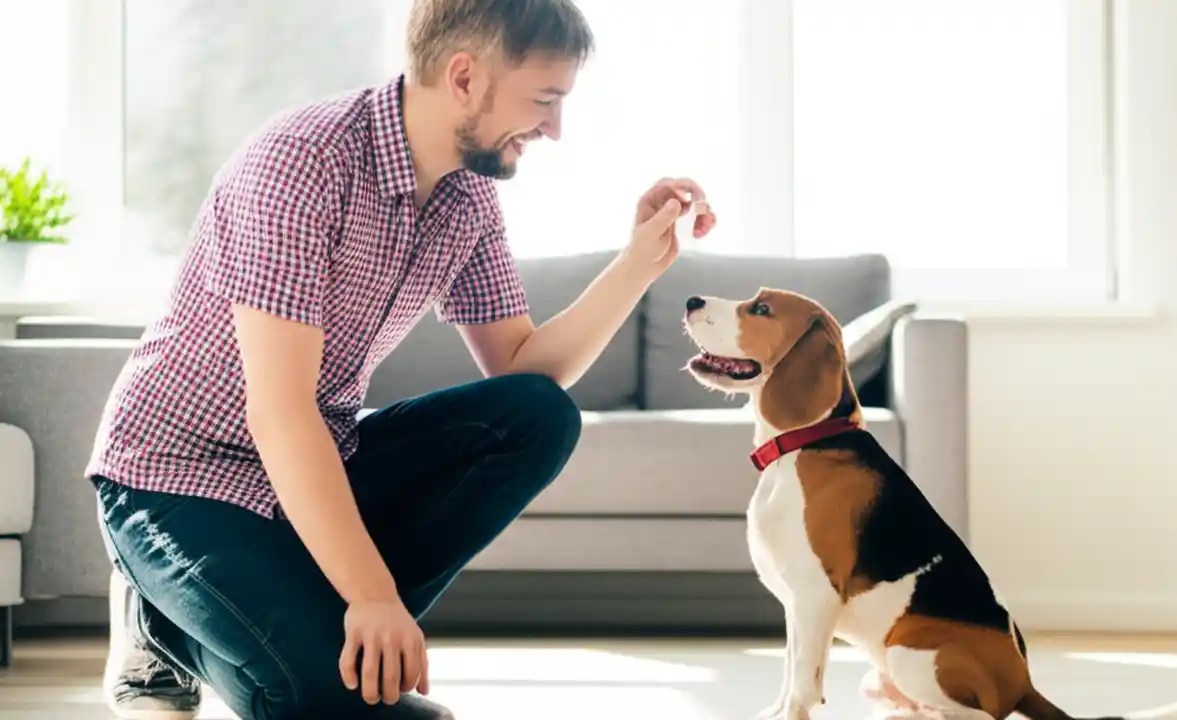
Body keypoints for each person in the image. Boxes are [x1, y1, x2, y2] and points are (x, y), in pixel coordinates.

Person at [86, 1, 717, 718]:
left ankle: (329, 649)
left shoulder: (468, 196)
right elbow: (281, 414)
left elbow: (523, 367)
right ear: (464, 76)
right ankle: (163, 624)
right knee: (313, 696)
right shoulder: (303, 163)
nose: (554, 128)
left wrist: (637, 263)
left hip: (315, 466)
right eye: (544, 100)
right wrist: (375, 596)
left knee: (536, 416)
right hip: (177, 474)